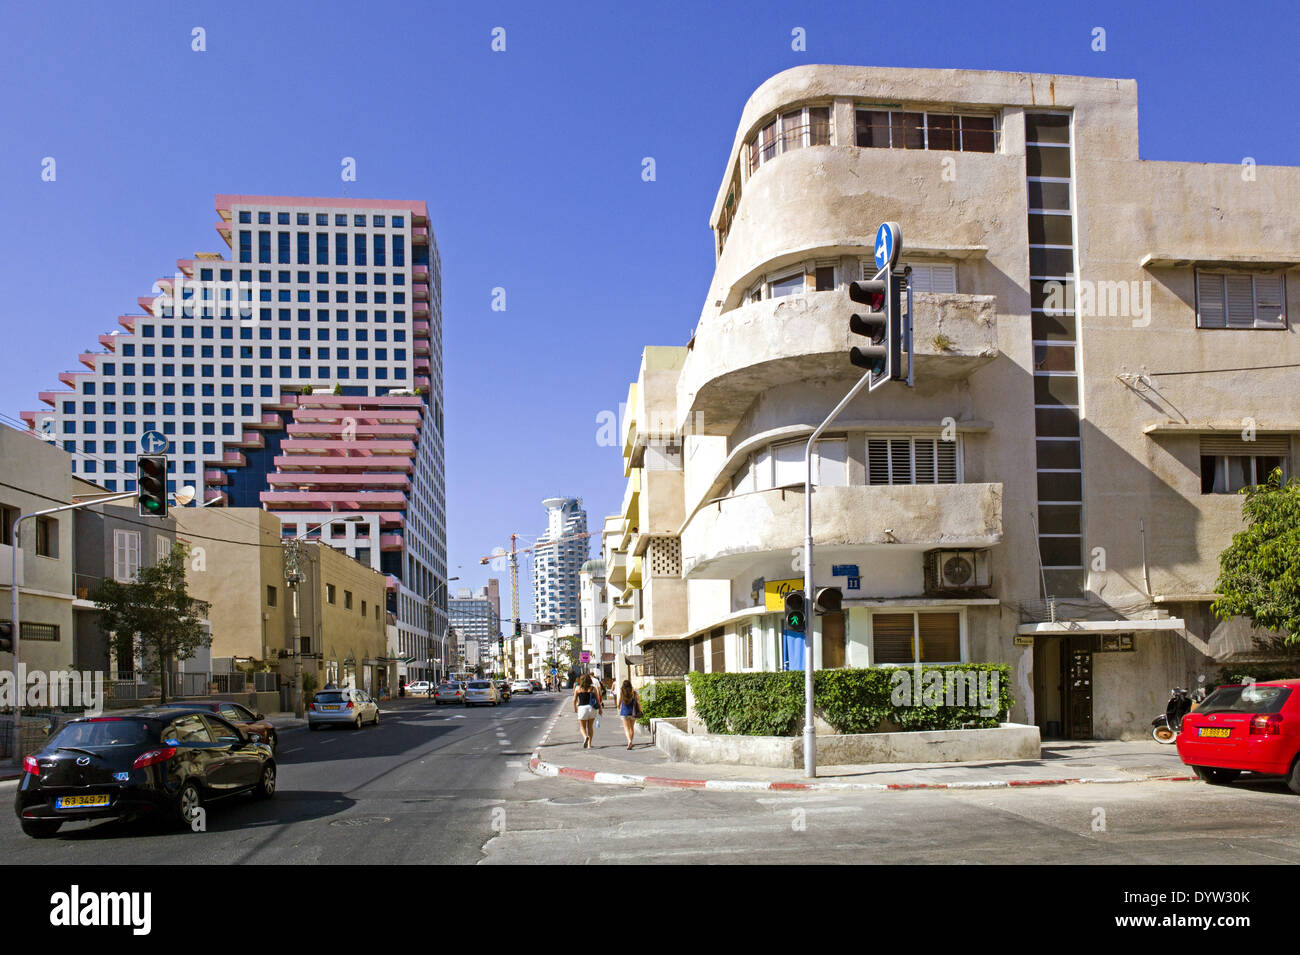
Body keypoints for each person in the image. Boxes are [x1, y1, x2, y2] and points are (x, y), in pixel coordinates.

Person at [573, 673, 601, 748]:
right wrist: (600, 709)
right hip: (592, 708)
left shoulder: (578, 688)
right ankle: (589, 744)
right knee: (590, 727)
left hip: (582, 708)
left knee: (582, 727)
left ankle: (585, 737)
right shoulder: (593, 688)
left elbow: (574, 700)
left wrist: (575, 708)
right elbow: (598, 700)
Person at [618, 680, 640, 749]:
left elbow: (618, 703)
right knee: (631, 728)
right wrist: (640, 710)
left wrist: (619, 708)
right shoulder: (634, 693)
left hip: (624, 713)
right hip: (633, 713)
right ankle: (631, 742)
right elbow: (639, 703)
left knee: (626, 728)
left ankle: (629, 740)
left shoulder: (622, 693)